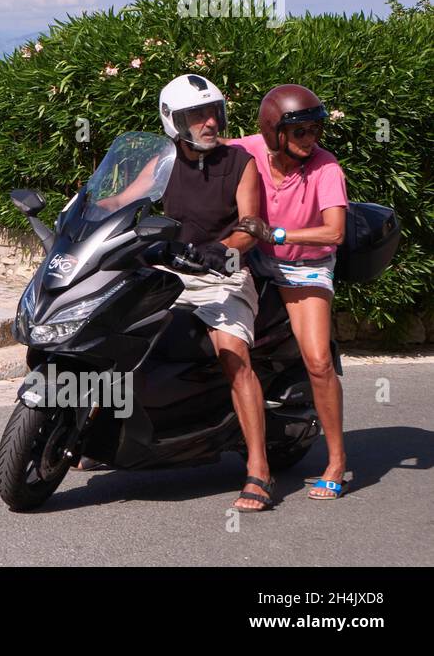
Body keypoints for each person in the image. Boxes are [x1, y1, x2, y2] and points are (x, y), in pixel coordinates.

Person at [79, 74, 272, 511]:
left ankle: (258, 468)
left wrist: (220, 250)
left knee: (233, 357)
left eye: (213, 113)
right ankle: (92, 430)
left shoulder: (240, 163)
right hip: (168, 271)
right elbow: (123, 201)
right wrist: (83, 212)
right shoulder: (165, 163)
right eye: (196, 115)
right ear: (174, 122)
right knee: (113, 332)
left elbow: (251, 225)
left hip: (220, 275)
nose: (209, 123)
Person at [229, 85, 349, 500]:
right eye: (300, 132)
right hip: (254, 259)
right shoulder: (246, 151)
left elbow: (334, 231)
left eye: (315, 131)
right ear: (273, 132)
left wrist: (277, 233)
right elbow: (195, 153)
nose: (310, 140)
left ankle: (336, 461)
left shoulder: (325, 167)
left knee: (317, 361)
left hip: (305, 267)